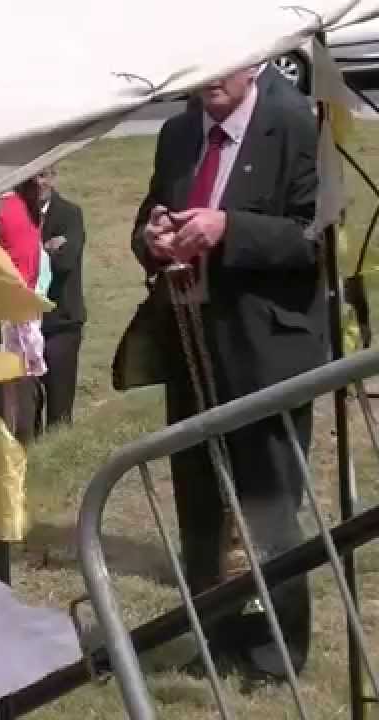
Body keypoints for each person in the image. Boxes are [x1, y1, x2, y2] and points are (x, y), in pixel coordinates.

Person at [131, 66, 322, 682]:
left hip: (267, 350)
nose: (209, 79)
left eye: (223, 64)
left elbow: (313, 237)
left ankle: (274, 653)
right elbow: (148, 215)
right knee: (199, 502)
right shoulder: (178, 133)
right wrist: (153, 235)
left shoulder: (294, 123)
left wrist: (228, 229)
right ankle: (213, 636)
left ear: (256, 61)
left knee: (266, 505)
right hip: (193, 347)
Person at [0, 181, 47, 445]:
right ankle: (22, 444)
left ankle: (10, 448)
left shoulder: (0, 209)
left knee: (7, 388)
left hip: (6, 307)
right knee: (21, 381)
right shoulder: (26, 205)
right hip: (26, 303)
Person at [37, 166, 87, 429]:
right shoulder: (17, 216)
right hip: (26, 325)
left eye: (44, 175)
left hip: (61, 324)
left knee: (59, 413)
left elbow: (65, 261)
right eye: (33, 176)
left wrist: (31, 252)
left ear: (54, 177)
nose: (38, 182)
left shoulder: (70, 214)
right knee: (25, 412)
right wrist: (46, 248)